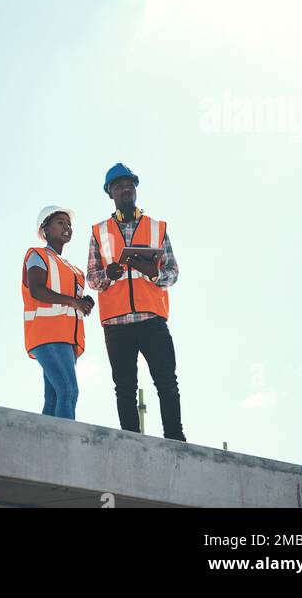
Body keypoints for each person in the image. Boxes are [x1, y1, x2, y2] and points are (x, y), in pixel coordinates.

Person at [86, 163, 186, 441]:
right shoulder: (99, 232)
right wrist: (106, 275)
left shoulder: (157, 228)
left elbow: (173, 273)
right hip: (116, 324)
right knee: (125, 387)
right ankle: (131, 441)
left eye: (129, 184)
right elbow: (91, 279)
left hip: (152, 320)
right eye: (118, 186)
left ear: (136, 188)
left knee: (167, 383)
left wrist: (154, 273)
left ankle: (175, 439)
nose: (125, 189)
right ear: (110, 193)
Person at [22, 205, 94, 419]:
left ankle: (43, 448)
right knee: (68, 391)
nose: (67, 227)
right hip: (47, 335)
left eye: (69, 224)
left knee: (53, 397)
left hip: (67, 340)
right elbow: (37, 290)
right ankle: (65, 449)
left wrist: (83, 302)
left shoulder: (75, 271)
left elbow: (71, 303)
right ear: (45, 230)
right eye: (60, 223)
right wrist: (74, 301)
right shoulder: (37, 255)